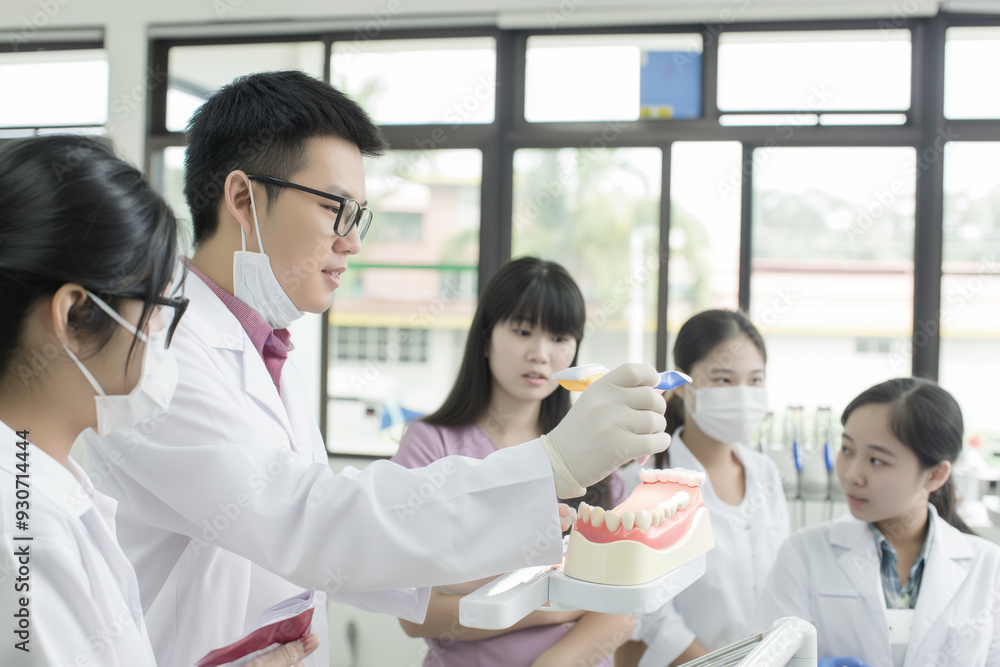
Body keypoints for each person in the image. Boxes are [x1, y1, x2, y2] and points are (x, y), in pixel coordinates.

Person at [80, 70, 670, 667]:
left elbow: (331, 547)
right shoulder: (158, 350)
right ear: (243, 199)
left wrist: (528, 531)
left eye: (359, 216)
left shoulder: (268, 349)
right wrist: (551, 467)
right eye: (336, 209)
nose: (351, 242)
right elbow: (307, 520)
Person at [0, 136, 318, 666]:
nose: (162, 330)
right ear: (74, 315)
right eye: (154, 303)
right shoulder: (27, 523)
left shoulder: (42, 484)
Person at [391, 256, 634, 667]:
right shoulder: (430, 445)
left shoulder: (594, 449)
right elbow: (416, 615)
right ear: (486, 338)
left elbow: (626, 600)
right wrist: (561, 608)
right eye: (522, 331)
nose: (540, 354)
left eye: (560, 338)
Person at [756, 378, 1000, 667]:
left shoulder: (988, 567)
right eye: (847, 450)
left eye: (876, 461)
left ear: (935, 475)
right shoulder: (802, 554)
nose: (850, 474)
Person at [628, 309, 790, 666]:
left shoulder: (765, 474)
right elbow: (649, 613)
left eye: (755, 380)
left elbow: (784, 580)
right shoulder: (646, 478)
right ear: (685, 386)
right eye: (723, 379)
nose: (743, 396)